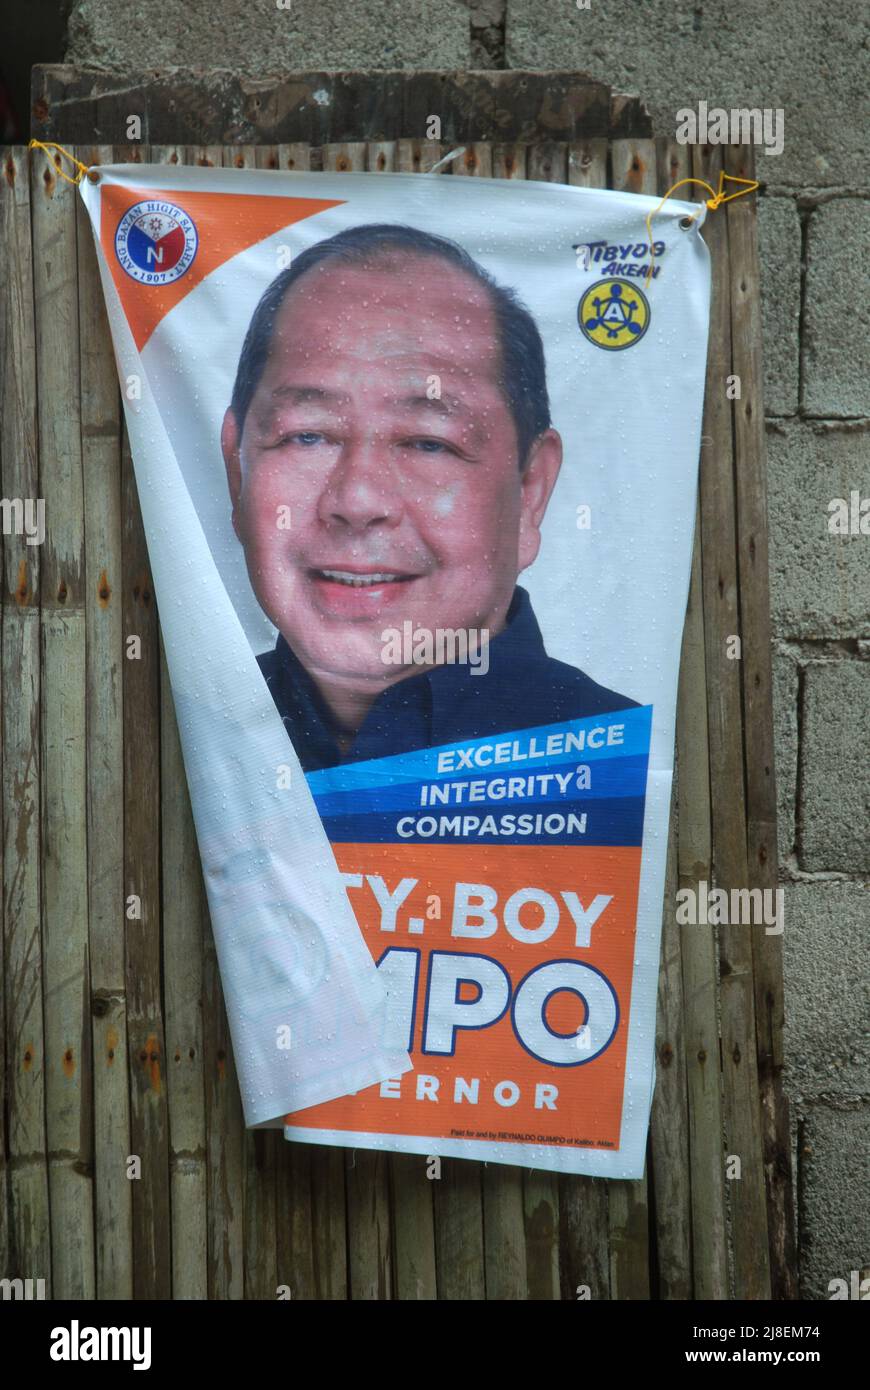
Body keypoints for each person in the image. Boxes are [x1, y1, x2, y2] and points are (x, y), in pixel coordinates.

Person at [221, 223, 636, 774]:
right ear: (237, 470)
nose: (358, 500)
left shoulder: (623, 767)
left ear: (530, 490)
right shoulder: (172, 748)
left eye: (427, 443)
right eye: (309, 435)